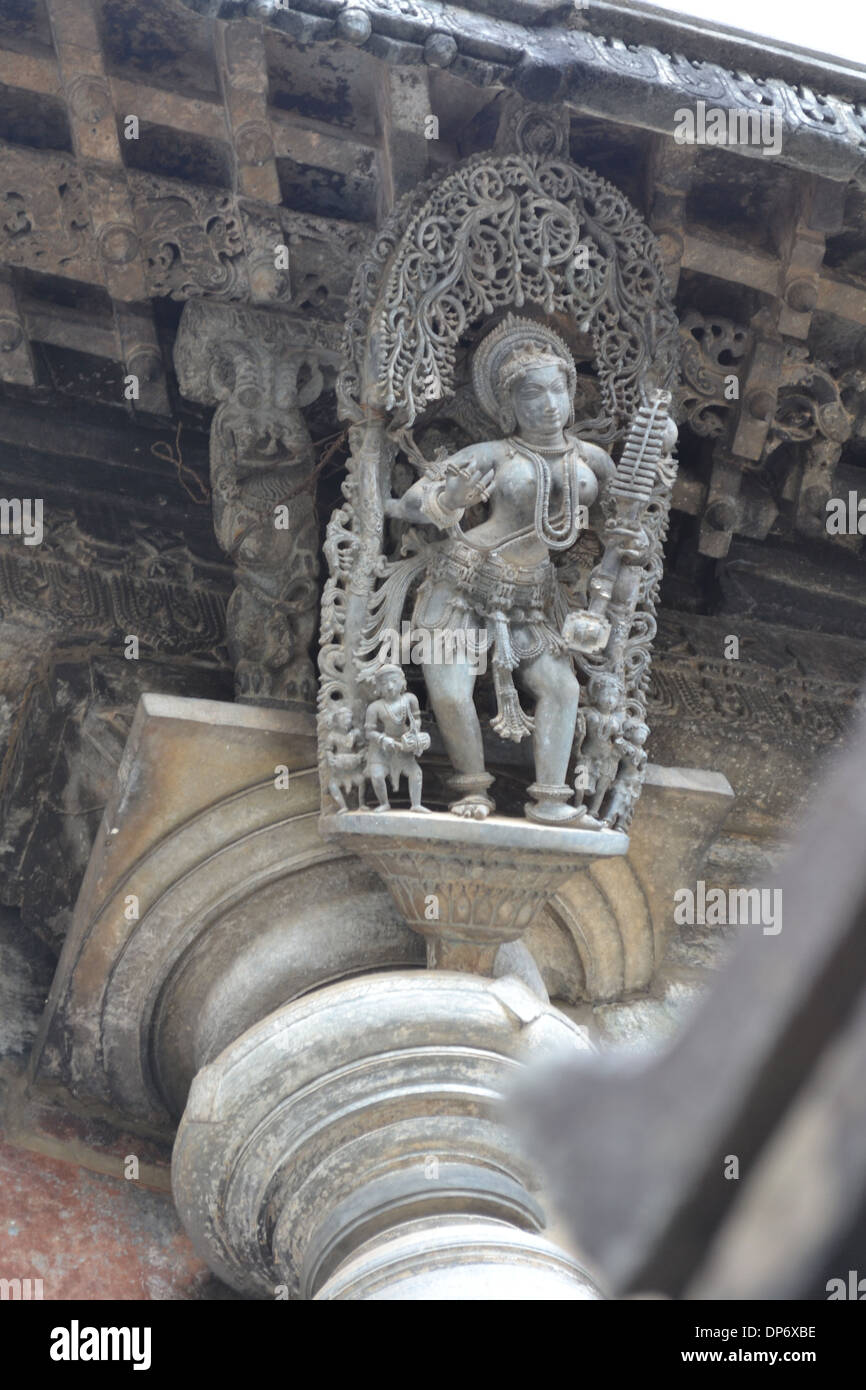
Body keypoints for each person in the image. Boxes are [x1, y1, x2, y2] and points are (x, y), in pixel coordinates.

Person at [385, 315, 613, 824]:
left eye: (558, 391)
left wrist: (605, 589)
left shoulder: (594, 461)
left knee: (562, 688)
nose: (549, 405)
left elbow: (626, 531)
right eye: (532, 395)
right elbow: (412, 502)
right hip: (465, 577)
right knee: (449, 688)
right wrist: (451, 496)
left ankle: (551, 799)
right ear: (508, 406)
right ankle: (472, 790)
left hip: (536, 593)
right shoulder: (495, 454)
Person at [364, 665, 431, 812]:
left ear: (402, 682)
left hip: (403, 742)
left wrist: (415, 731)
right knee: (377, 775)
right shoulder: (375, 707)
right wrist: (382, 739)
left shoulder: (410, 699)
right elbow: (369, 732)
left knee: (416, 773)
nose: (389, 687)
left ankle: (416, 804)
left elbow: (417, 718)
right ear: (379, 688)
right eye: (384, 683)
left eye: (394, 681)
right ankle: (384, 803)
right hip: (383, 747)